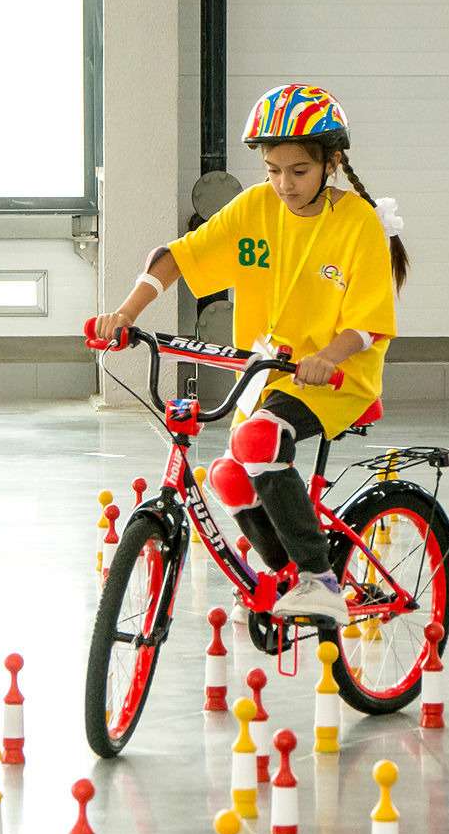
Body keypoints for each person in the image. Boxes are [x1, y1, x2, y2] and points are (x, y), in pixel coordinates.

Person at [91, 84, 406, 624]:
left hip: (337, 377)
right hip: (266, 376)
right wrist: (125, 314)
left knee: (258, 440)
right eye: (272, 170)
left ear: (332, 162)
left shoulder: (356, 224)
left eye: (299, 170)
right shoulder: (257, 208)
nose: (284, 184)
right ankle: (287, 579)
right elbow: (176, 258)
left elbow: (367, 323)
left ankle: (321, 581)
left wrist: (326, 356)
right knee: (228, 476)